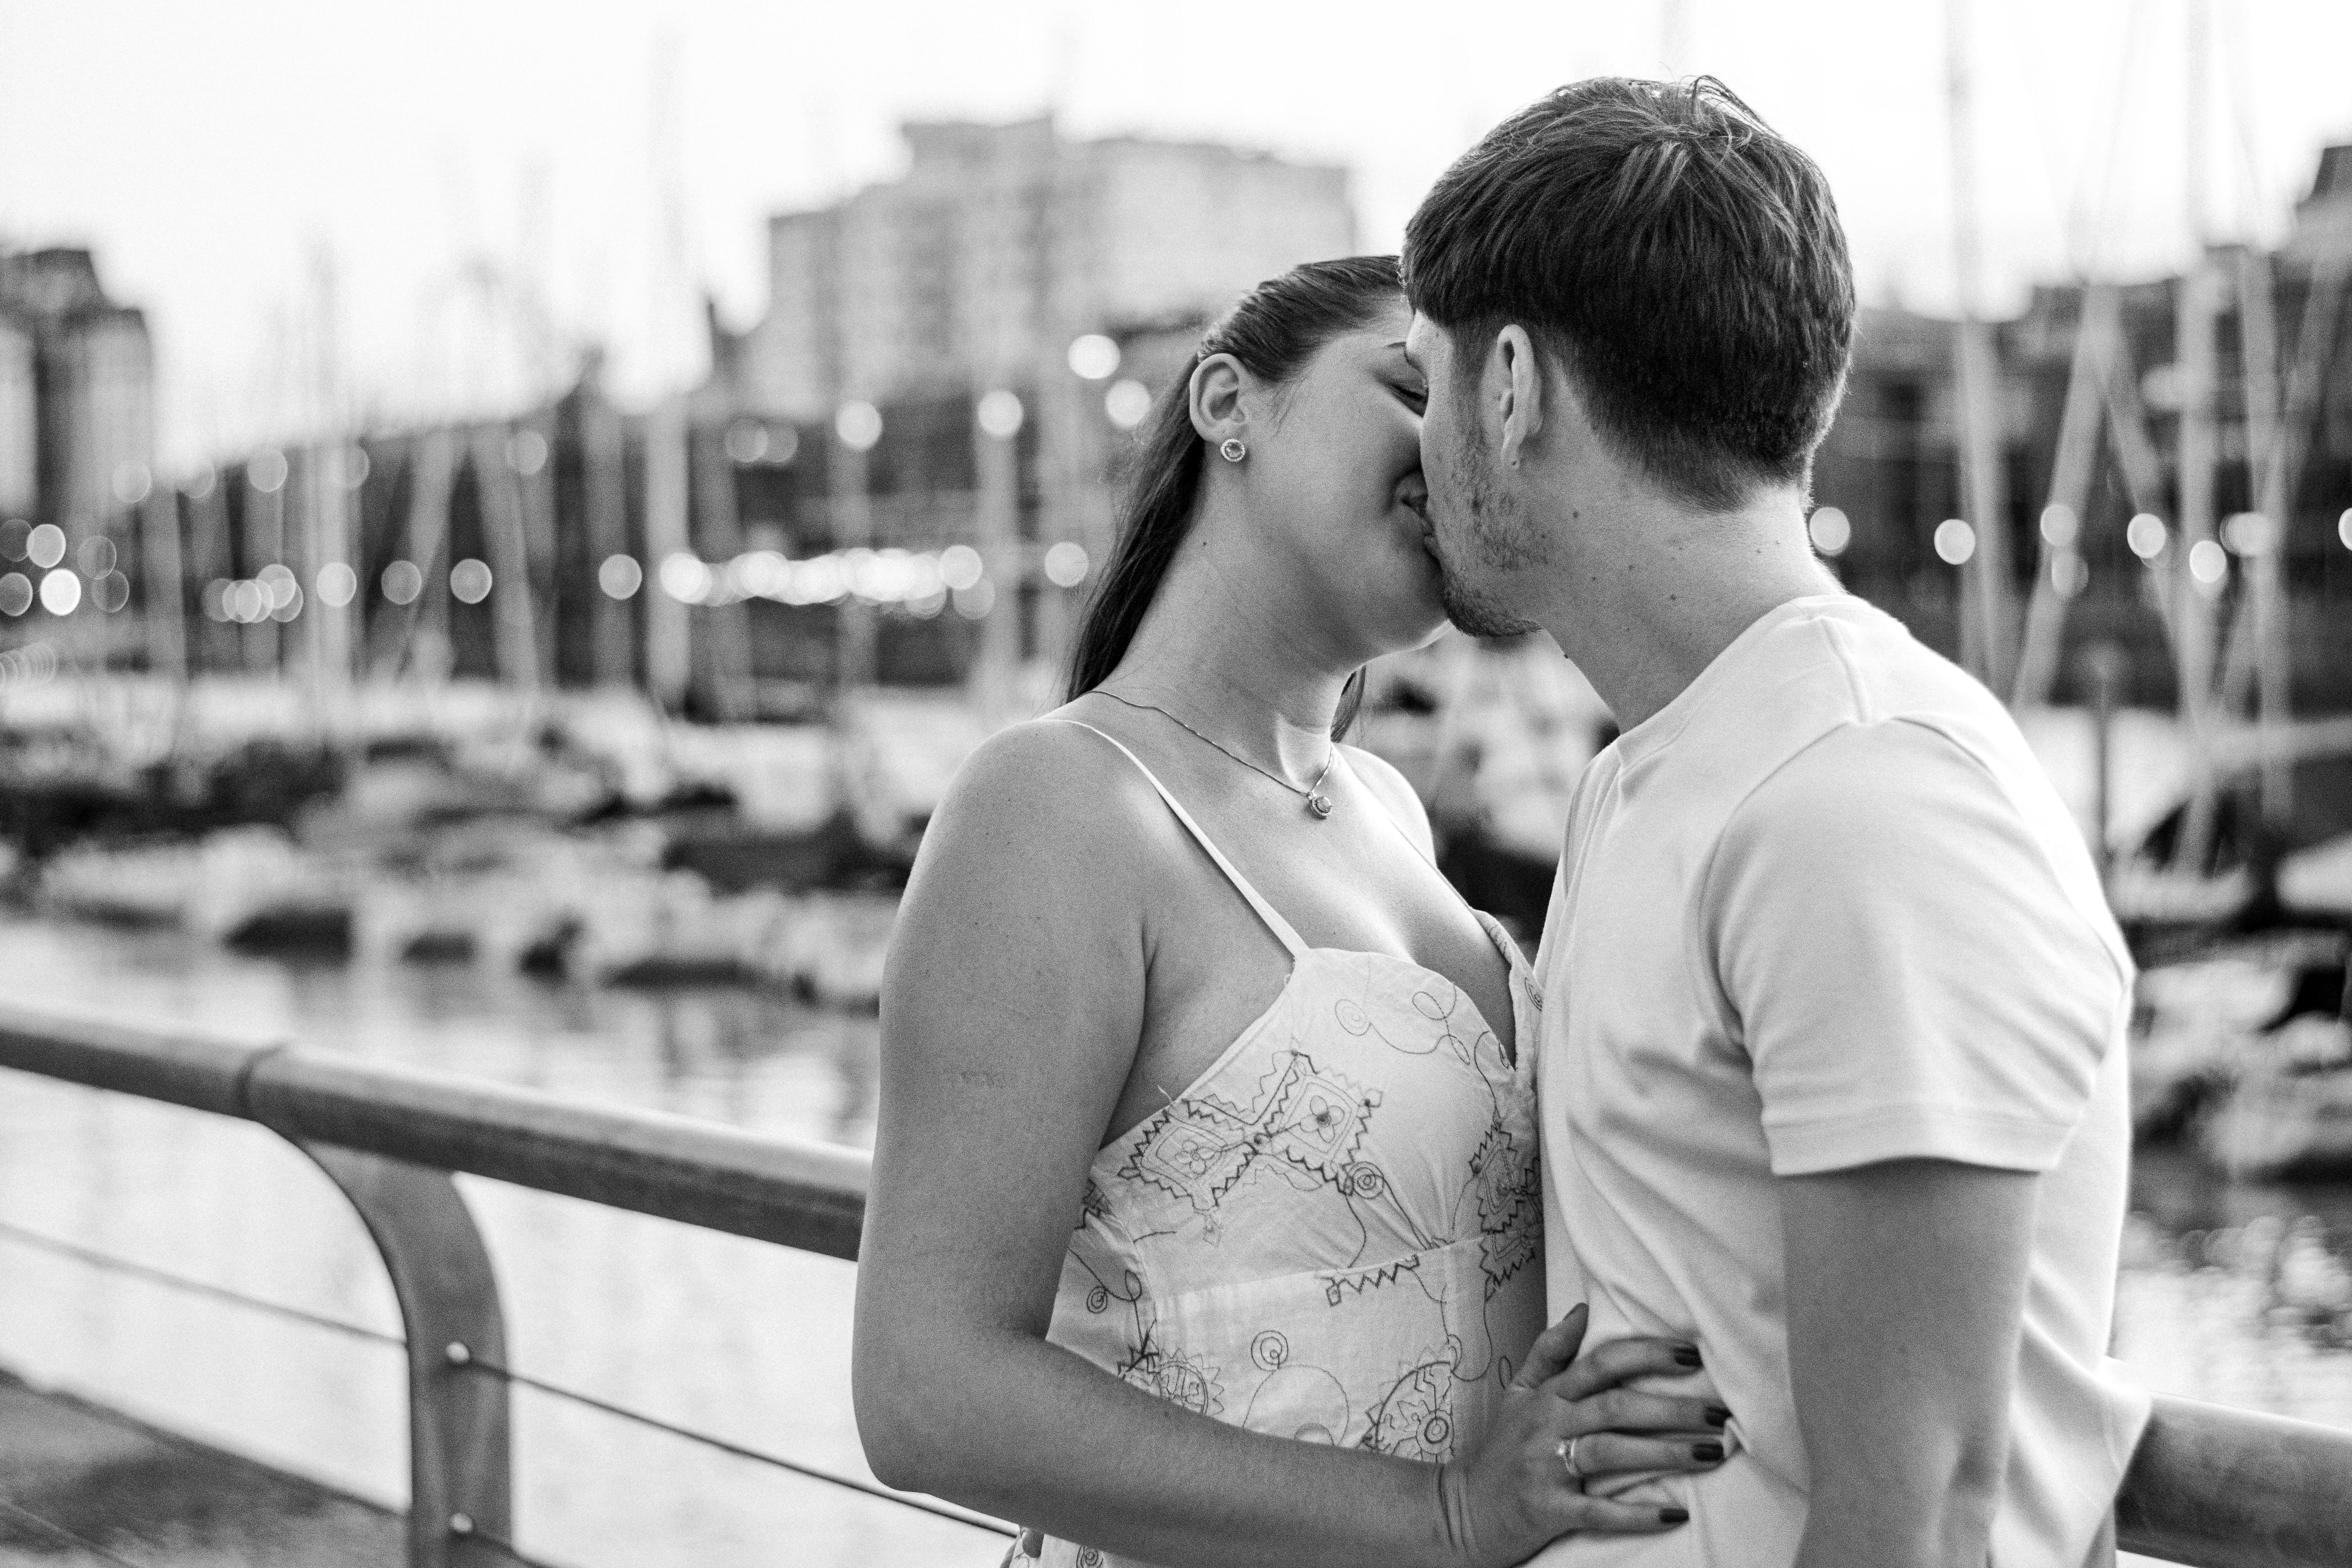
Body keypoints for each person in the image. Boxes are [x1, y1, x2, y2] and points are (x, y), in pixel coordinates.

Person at [854, 256, 1731, 1568]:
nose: (1457, 455)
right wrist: (1449, 1515)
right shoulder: (1059, 804)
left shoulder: (1389, 810)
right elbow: (926, 1393)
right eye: (1412, 393)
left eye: (1485, 422)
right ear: (1228, 403)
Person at [1401, 77, 2150, 1568]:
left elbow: (1918, 1517)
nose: (1416, 449)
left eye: (1424, 385)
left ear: (1511, 385)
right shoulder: (1657, 771)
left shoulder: (1860, 799)